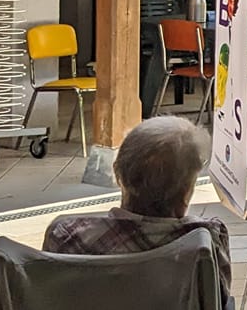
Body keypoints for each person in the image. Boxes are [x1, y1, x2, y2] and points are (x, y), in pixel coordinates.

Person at [45, 116, 231, 294]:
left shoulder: (65, 235)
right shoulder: (205, 240)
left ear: (119, 176)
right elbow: (218, 307)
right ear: (187, 190)